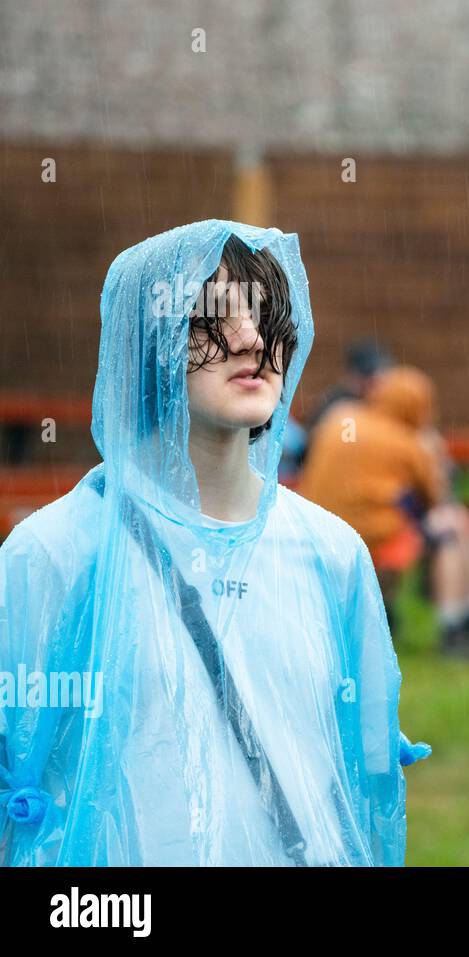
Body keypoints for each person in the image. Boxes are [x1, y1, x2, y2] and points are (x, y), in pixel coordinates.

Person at [0, 221, 429, 866]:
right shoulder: (59, 554)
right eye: (213, 318)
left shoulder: (331, 554)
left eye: (266, 316)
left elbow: (364, 781)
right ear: (149, 343)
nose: (252, 340)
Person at [298, 365, 469, 661]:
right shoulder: (408, 442)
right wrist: (433, 449)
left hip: (317, 529)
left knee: (440, 521)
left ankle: (467, 619)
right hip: (370, 535)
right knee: (452, 525)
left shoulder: (340, 419)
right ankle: (458, 624)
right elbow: (436, 497)